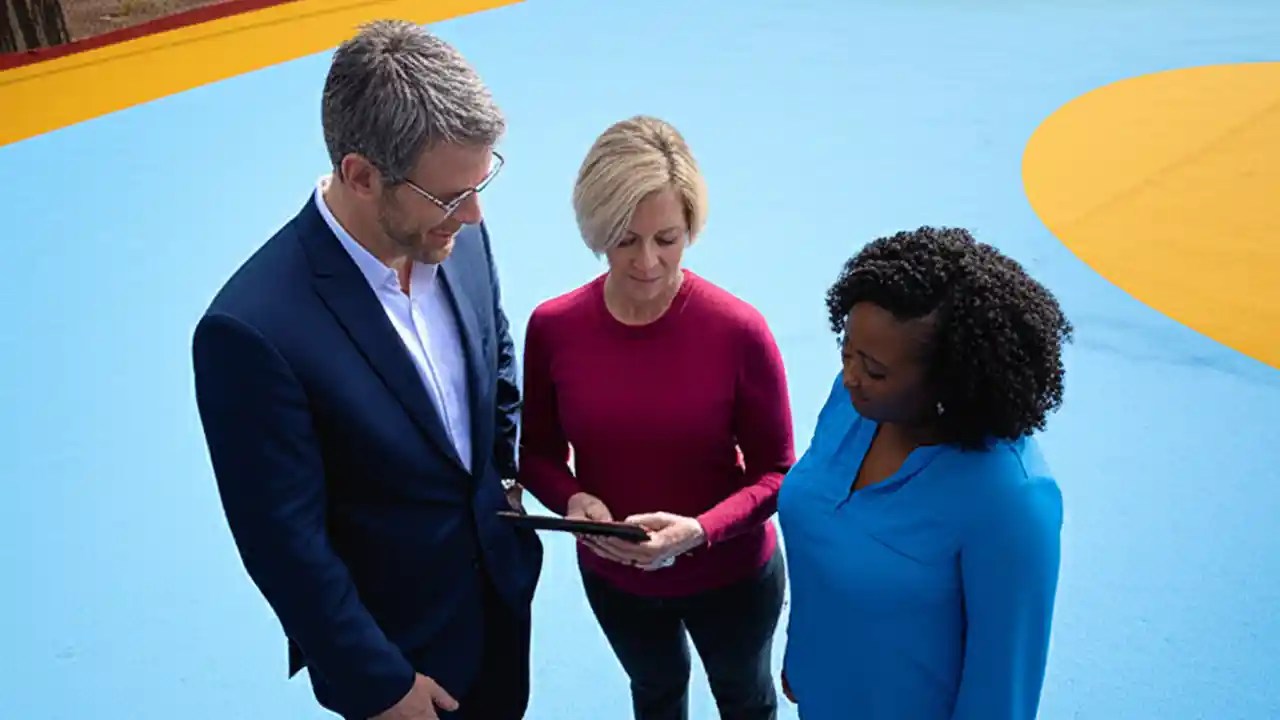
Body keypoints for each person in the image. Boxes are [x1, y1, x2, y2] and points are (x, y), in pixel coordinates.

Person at [191, 21, 542, 720]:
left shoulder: (459, 234)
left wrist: (502, 479)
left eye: (481, 183)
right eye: (449, 197)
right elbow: (283, 543)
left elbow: (495, 365)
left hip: (499, 607)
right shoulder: (251, 331)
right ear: (360, 174)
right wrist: (378, 682)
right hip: (401, 665)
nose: (473, 215)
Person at [517, 115, 795, 720]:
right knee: (656, 695)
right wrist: (573, 499)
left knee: (746, 700)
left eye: (667, 239)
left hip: (732, 577)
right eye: (624, 239)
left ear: (691, 225)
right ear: (595, 230)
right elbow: (536, 452)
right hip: (617, 581)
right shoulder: (553, 328)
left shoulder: (739, 331)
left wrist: (698, 531)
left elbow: (777, 473)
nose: (647, 261)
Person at [776, 226, 1071, 719]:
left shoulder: (1011, 500)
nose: (850, 376)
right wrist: (805, 655)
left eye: (873, 369)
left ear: (951, 379)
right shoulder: (855, 404)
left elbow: (1001, 692)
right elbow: (818, 536)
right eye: (846, 352)